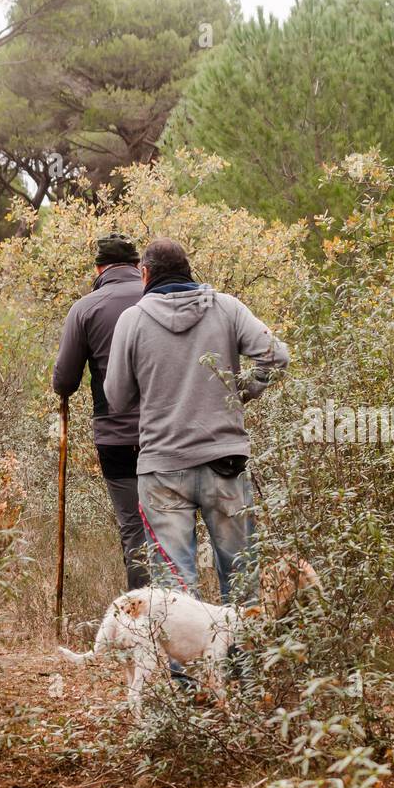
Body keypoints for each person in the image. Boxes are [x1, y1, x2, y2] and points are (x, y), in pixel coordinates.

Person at [103, 238, 288, 602]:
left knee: (175, 590)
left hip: (162, 470)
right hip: (226, 464)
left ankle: (185, 662)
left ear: (145, 274)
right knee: (241, 580)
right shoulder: (226, 307)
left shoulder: (132, 320)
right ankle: (239, 660)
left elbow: (117, 398)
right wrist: (244, 391)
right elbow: (277, 356)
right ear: (188, 270)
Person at [52, 233, 150, 592]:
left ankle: (143, 624)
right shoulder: (157, 299)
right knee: (173, 527)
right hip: (170, 433)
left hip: (117, 437)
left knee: (133, 530)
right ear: (139, 266)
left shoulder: (86, 308)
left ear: (98, 268)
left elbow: (64, 383)